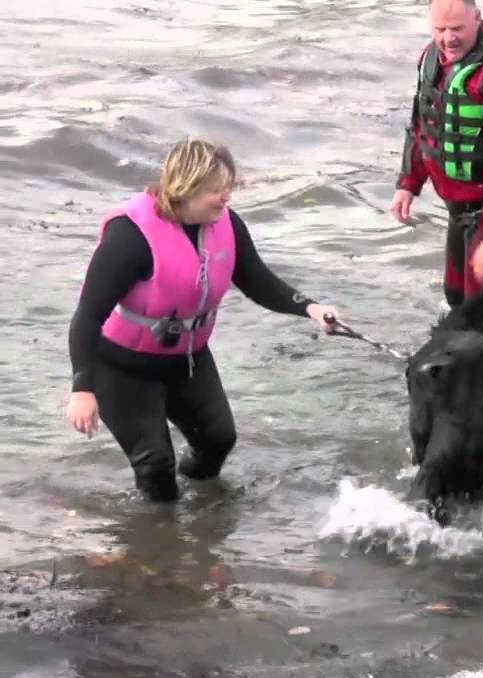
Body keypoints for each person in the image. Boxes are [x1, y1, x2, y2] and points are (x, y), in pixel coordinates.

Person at [66, 138, 342, 503]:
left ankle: (198, 523)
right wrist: (82, 389)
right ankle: (154, 545)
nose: (226, 198)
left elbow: (257, 280)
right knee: (155, 466)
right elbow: (86, 317)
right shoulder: (129, 236)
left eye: (227, 188)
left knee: (218, 440)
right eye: (217, 191)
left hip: (186, 360)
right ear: (186, 188)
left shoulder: (226, 225)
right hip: (121, 367)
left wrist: (310, 308)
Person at [390, 0, 483, 309]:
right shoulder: (431, 57)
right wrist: (408, 183)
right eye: (440, 29)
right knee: (456, 296)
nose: (448, 38)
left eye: (457, 28)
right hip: (460, 205)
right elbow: (422, 123)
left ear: (477, 18)